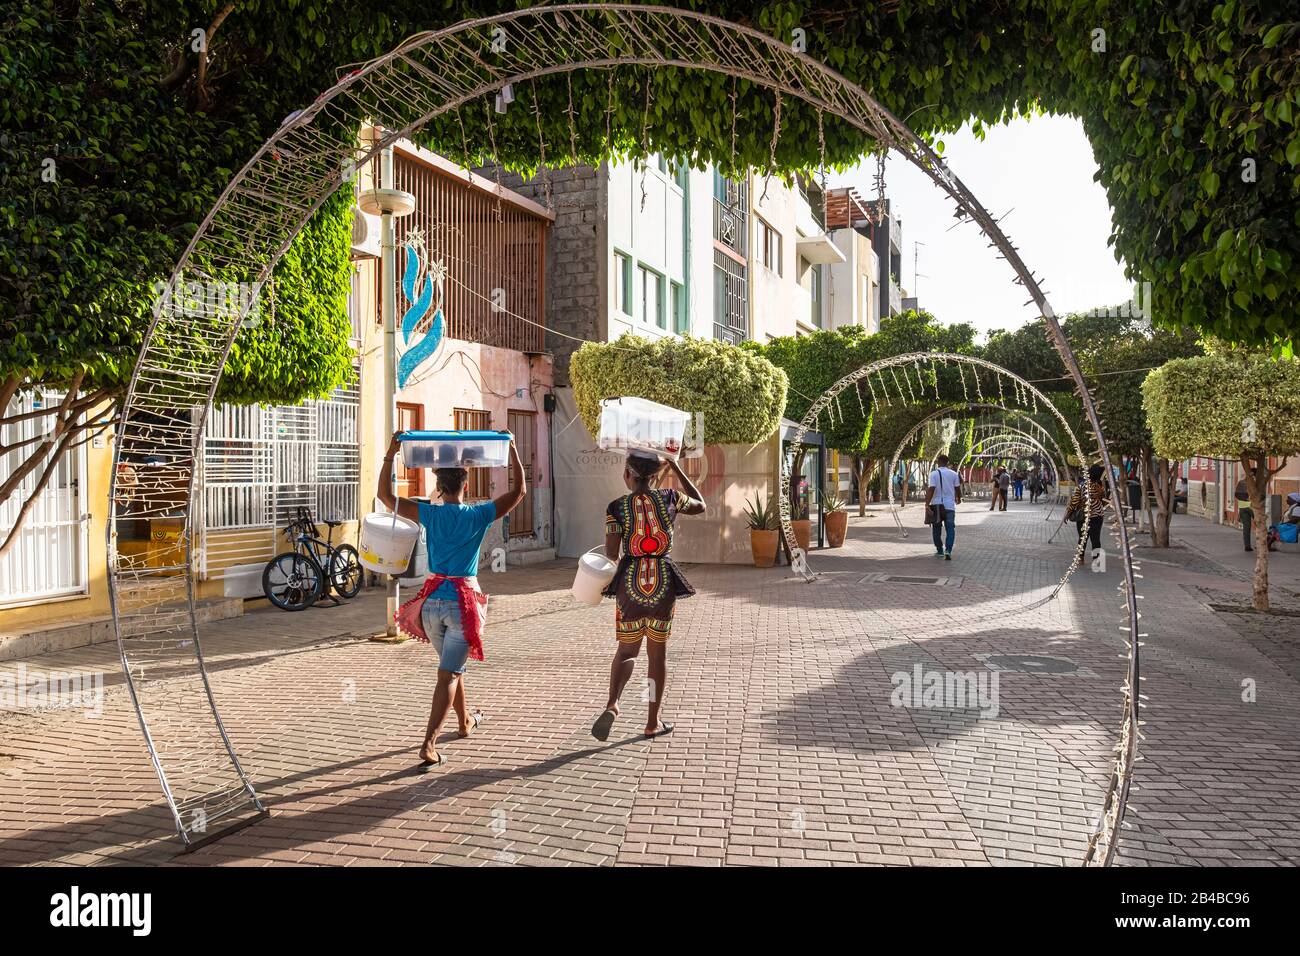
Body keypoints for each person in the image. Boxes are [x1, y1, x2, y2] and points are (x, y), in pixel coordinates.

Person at [377, 430, 527, 770]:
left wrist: (391, 452)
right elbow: (519, 491)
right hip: (462, 606)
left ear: (439, 486)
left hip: (430, 606)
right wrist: (513, 449)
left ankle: (464, 723)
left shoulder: (430, 513)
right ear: (466, 484)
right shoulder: (477, 515)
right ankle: (428, 744)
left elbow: (385, 496)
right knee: (448, 675)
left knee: (452, 669)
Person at [591, 451, 706, 742]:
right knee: (657, 657)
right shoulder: (671, 497)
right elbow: (701, 505)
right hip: (663, 583)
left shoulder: (616, 507)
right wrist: (678, 468)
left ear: (628, 475)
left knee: (627, 651)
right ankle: (651, 721)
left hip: (630, 584)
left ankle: (613, 704)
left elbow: (611, 555)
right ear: (657, 475)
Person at [925, 453, 963, 560]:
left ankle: (940, 550)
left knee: (936, 529)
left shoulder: (934, 474)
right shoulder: (954, 474)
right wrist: (959, 498)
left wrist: (927, 505)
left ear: (938, 462)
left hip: (937, 505)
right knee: (950, 528)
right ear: (947, 463)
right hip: (950, 506)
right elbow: (957, 489)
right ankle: (948, 550)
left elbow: (931, 489)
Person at [1068, 464, 1109, 557]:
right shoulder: (1100, 488)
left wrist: (1068, 513)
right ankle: (1096, 559)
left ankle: (1080, 558)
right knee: (1095, 539)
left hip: (1083, 516)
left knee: (1082, 538)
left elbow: (1074, 501)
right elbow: (1104, 502)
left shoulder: (1082, 486)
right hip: (1097, 516)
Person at [1235, 478, 1254, 551]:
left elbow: (1236, 494)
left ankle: (1247, 546)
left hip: (1242, 507)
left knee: (1246, 528)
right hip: (1252, 507)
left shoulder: (1241, 482)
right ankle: (1263, 544)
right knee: (1260, 525)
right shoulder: (1254, 482)